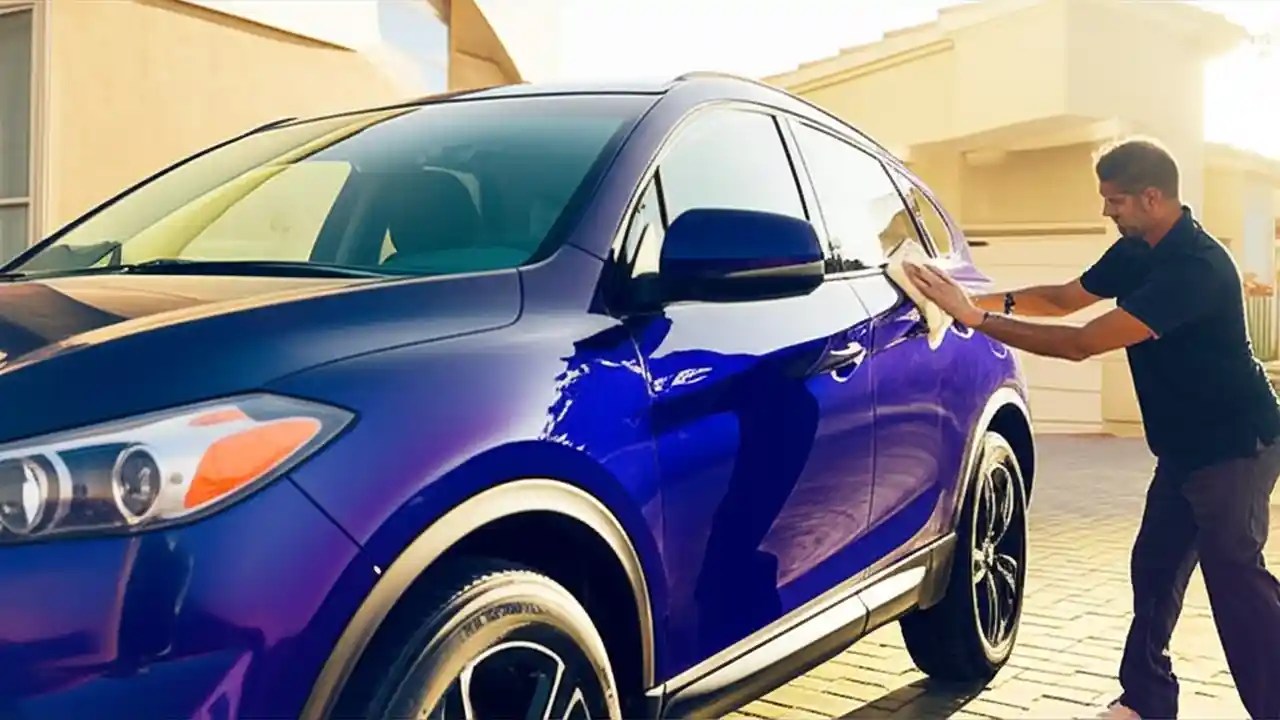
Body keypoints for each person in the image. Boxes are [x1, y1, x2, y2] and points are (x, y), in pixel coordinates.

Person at [904, 137, 1280, 720]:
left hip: (1235, 447)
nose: (1107, 211)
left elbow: (1082, 343)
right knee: (1154, 570)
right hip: (1182, 450)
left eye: (1116, 200)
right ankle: (1146, 700)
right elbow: (1061, 301)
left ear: (1152, 198)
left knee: (1234, 579)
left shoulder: (1198, 268)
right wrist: (971, 298)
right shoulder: (1136, 251)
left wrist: (976, 320)